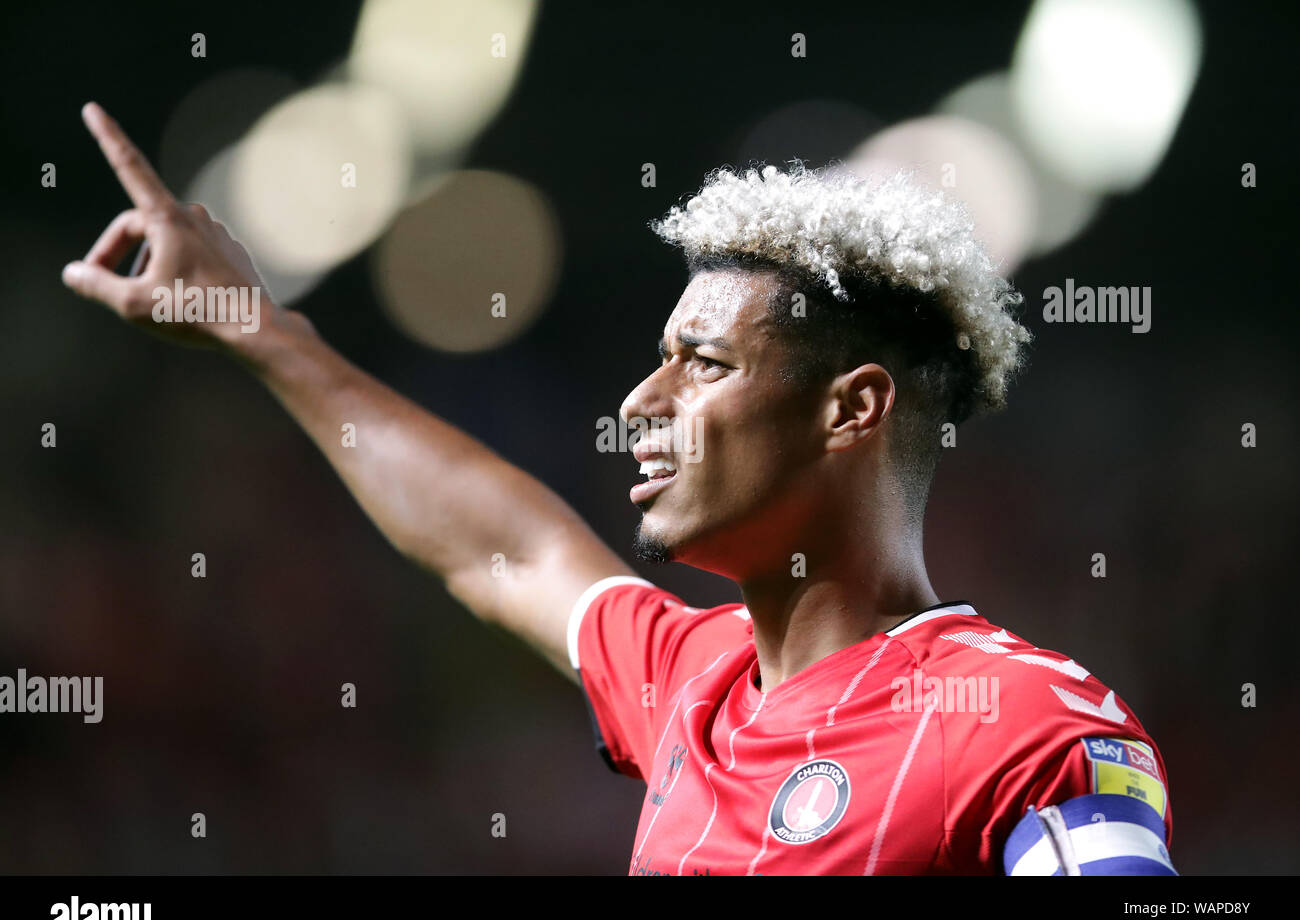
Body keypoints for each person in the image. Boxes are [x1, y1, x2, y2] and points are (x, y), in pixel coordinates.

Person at [63, 102, 1176, 876]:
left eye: (706, 362)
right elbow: (497, 545)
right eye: (657, 354)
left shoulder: (1029, 727)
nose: (642, 400)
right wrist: (263, 332)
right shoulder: (689, 678)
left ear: (851, 408)